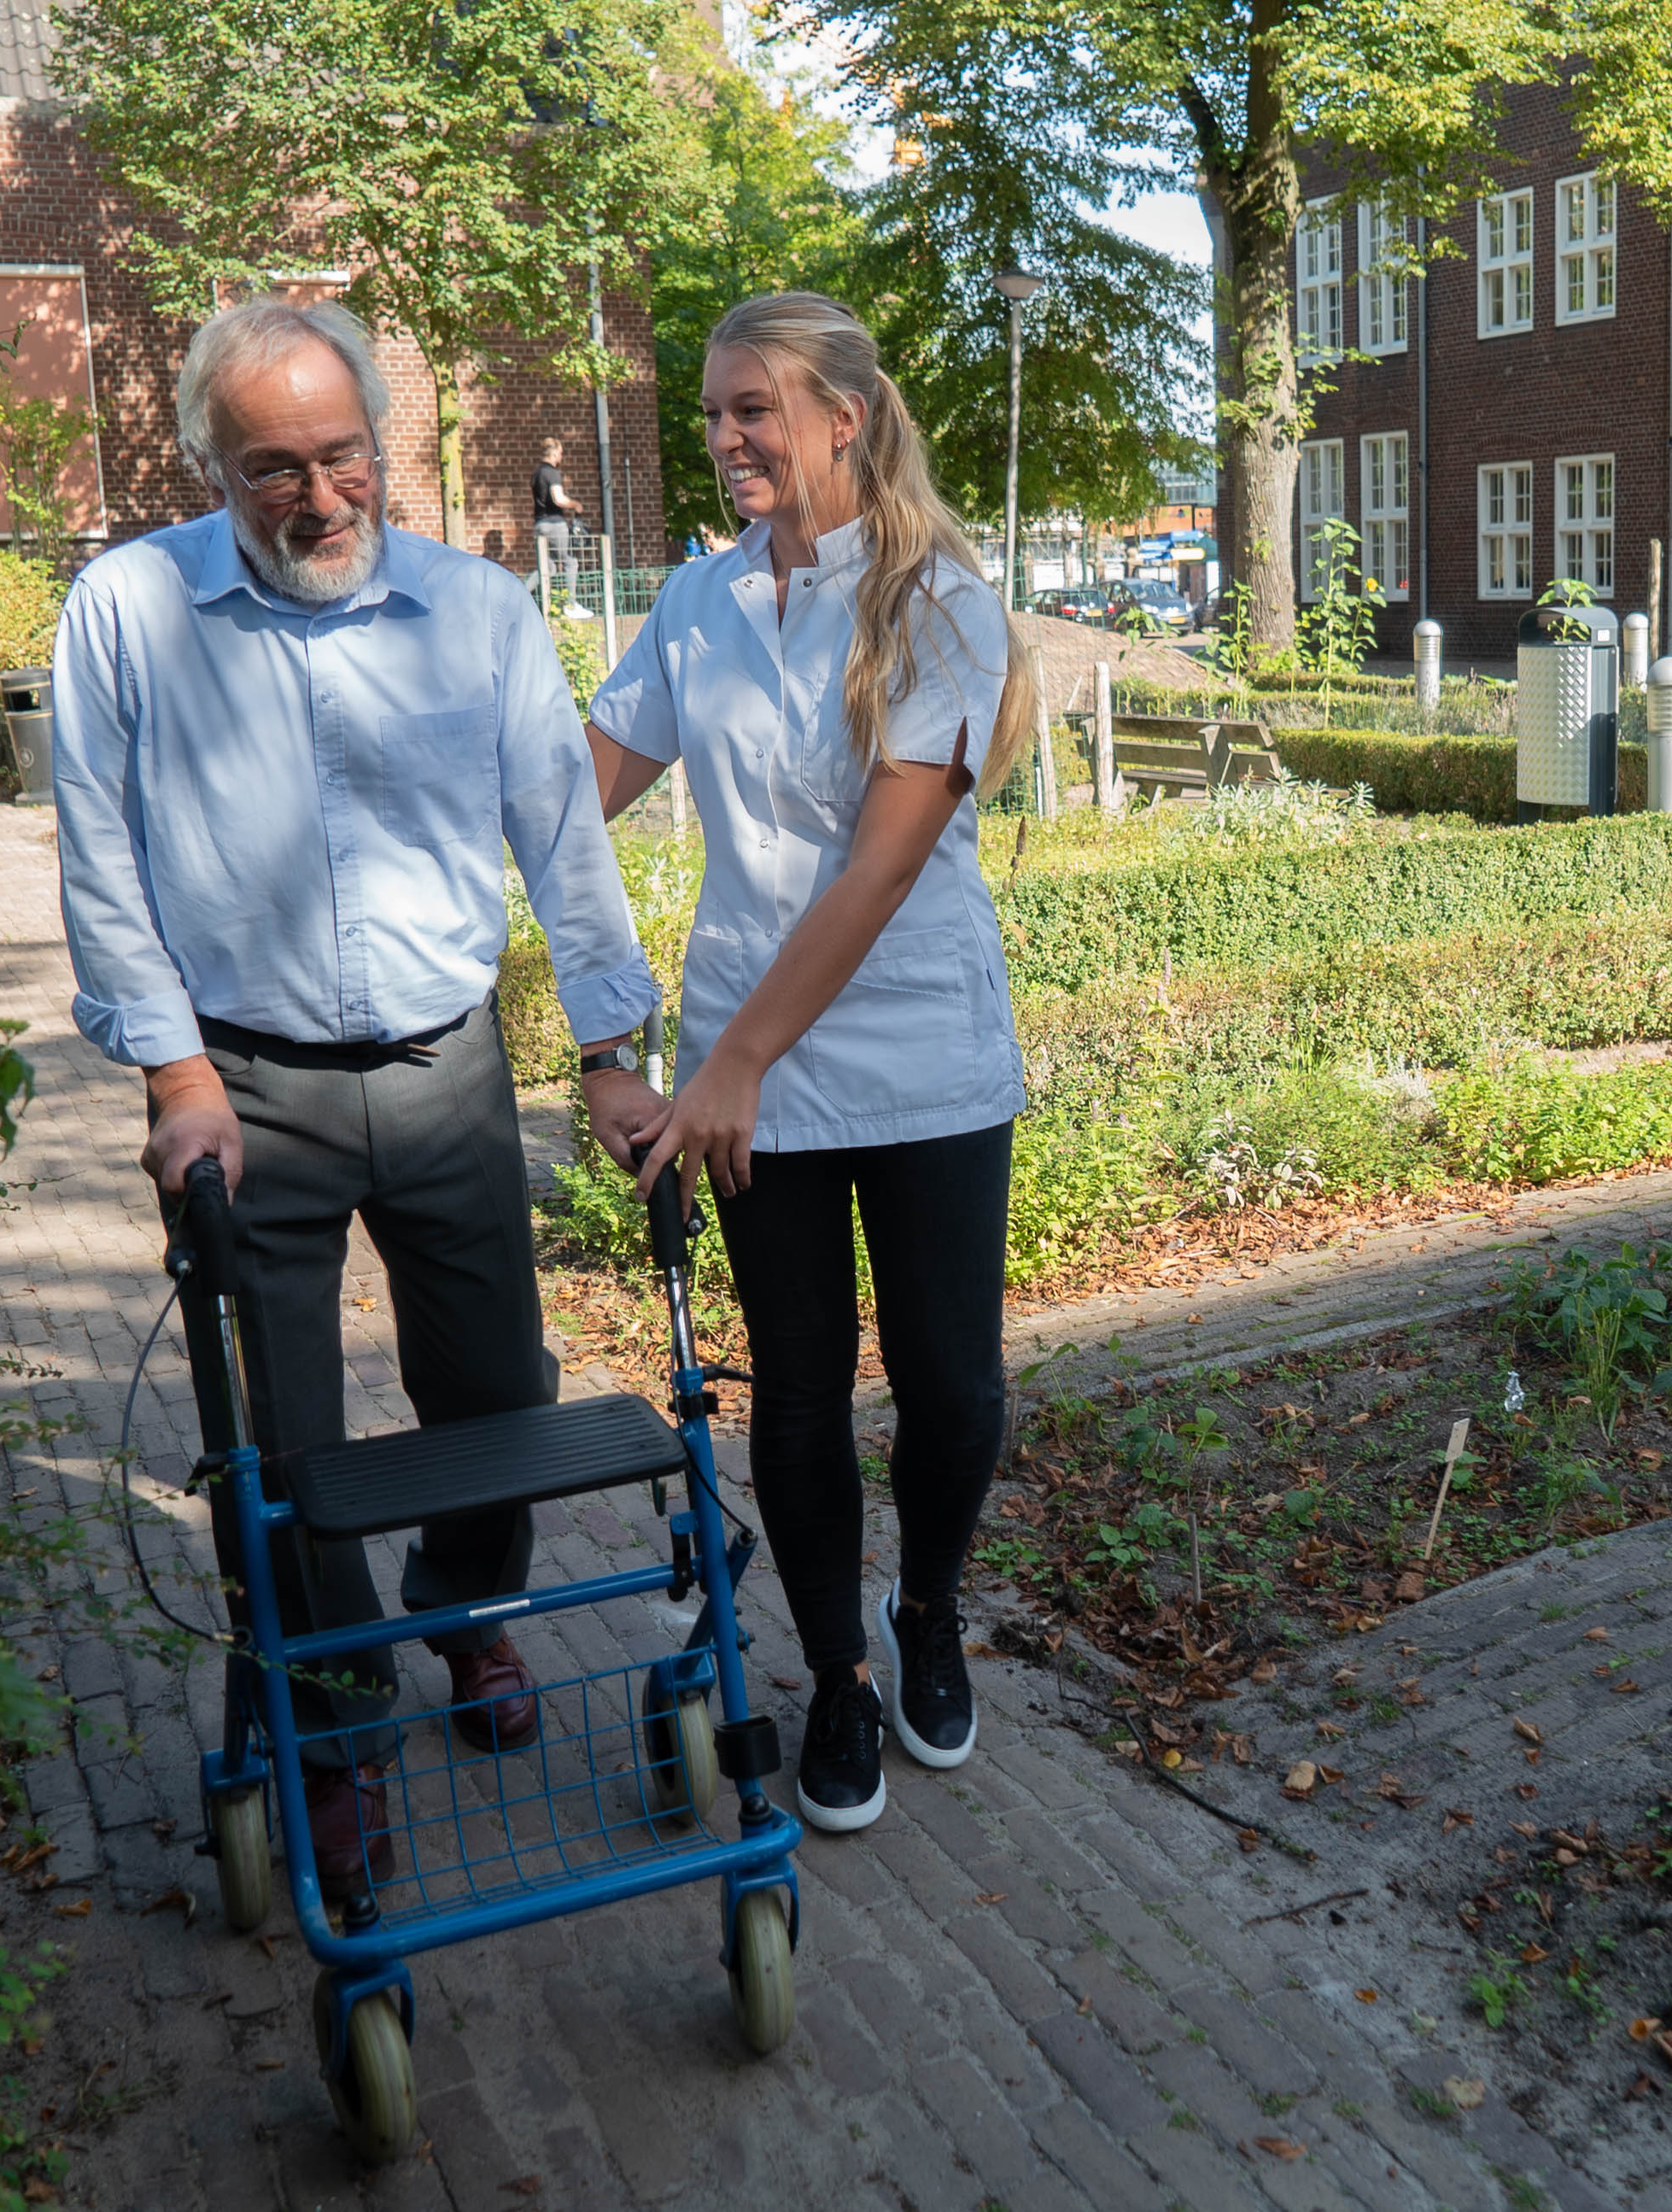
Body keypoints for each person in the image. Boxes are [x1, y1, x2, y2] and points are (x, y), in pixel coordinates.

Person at [49, 297, 664, 1894]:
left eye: (344, 456)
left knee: (498, 1391)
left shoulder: (477, 613)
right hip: (246, 1088)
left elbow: (562, 839)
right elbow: (100, 857)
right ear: (206, 463)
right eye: (273, 469)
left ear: (379, 441)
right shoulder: (128, 611)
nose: (319, 498)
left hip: (447, 1065)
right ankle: (336, 1722)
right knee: (284, 1443)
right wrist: (174, 1074)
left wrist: (607, 1053)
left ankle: (469, 1622)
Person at [580, 291, 1034, 1835]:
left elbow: (879, 871)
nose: (722, 440)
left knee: (951, 1389)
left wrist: (730, 1065)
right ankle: (837, 1673)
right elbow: (575, 798)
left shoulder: (941, 604)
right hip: (742, 1068)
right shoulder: (698, 603)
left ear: (843, 415)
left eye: (751, 409)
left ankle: (928, 1615)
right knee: (796, 1393)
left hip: (915, 1055)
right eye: (711, 414)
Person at [531, 436, 581, 567]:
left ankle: (522, 588)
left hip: (540, 524)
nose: (561, 456)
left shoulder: (537, 473)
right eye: (560, 453)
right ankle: (570, 589)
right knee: (570, 563)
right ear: (553, 453)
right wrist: (576, 505)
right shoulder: (552, 472)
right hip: (555, 524)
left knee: (548, 568)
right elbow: (558, 499)